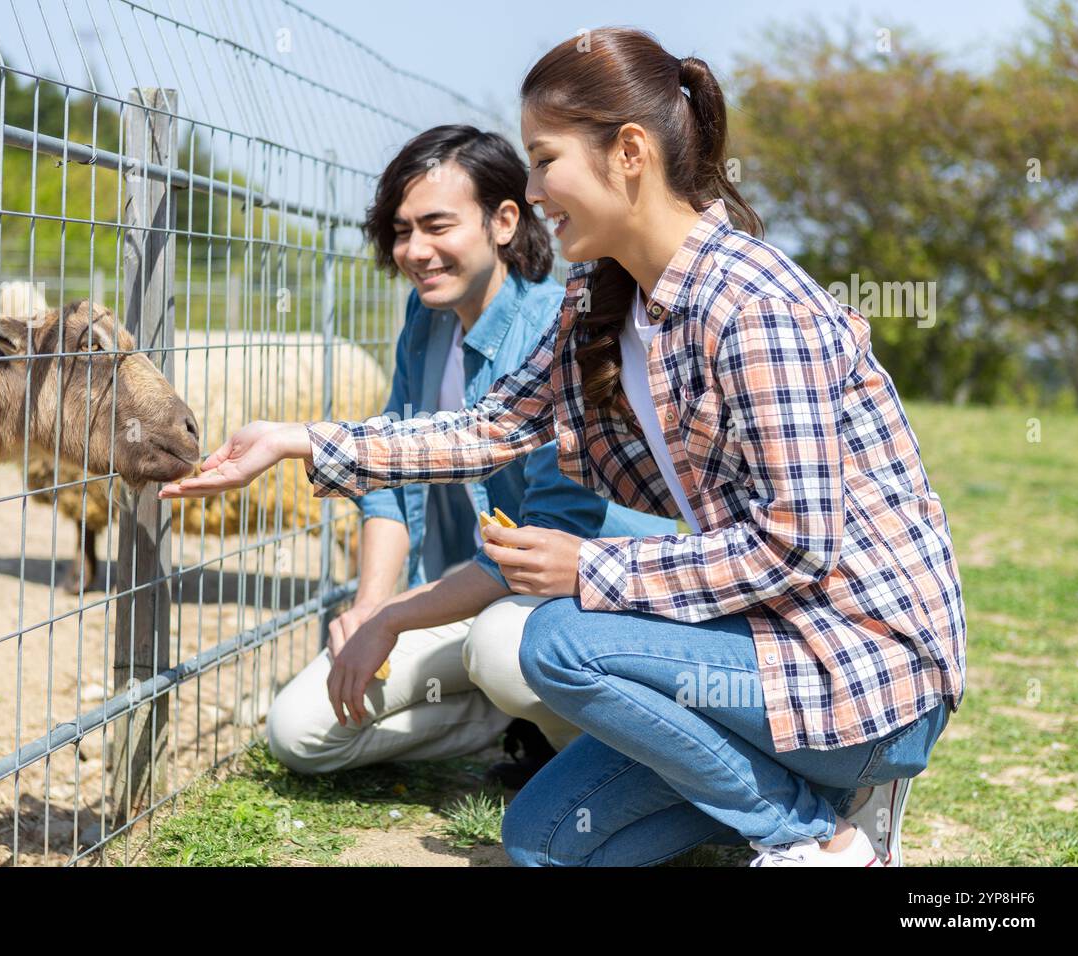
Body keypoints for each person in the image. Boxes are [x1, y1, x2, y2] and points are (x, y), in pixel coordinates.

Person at [160, 28, 966, 868]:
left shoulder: (753, 305)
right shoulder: (604, 298)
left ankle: (815, 834)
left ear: (628, 153)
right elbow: (487, 427)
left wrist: (591, 571)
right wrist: (294, 440)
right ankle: (800, 794)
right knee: (543, 840)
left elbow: (795, 545)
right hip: (754, 659)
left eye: (546, 161)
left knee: (557, 641)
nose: (537, 190)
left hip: (858, 676)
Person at [259, 125, 677, 788]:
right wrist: (371, 608)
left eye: (436, 225)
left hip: (568, 598)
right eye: (401, 231)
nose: (414, 251)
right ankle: (517, 725)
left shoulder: (554, 326)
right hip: (466, 594)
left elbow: (544, 538)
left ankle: (633, 771)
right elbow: (387, 480)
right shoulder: (423, 322)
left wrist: (396, 618)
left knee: (503, 653)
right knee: (299, 731)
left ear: (504, 221)